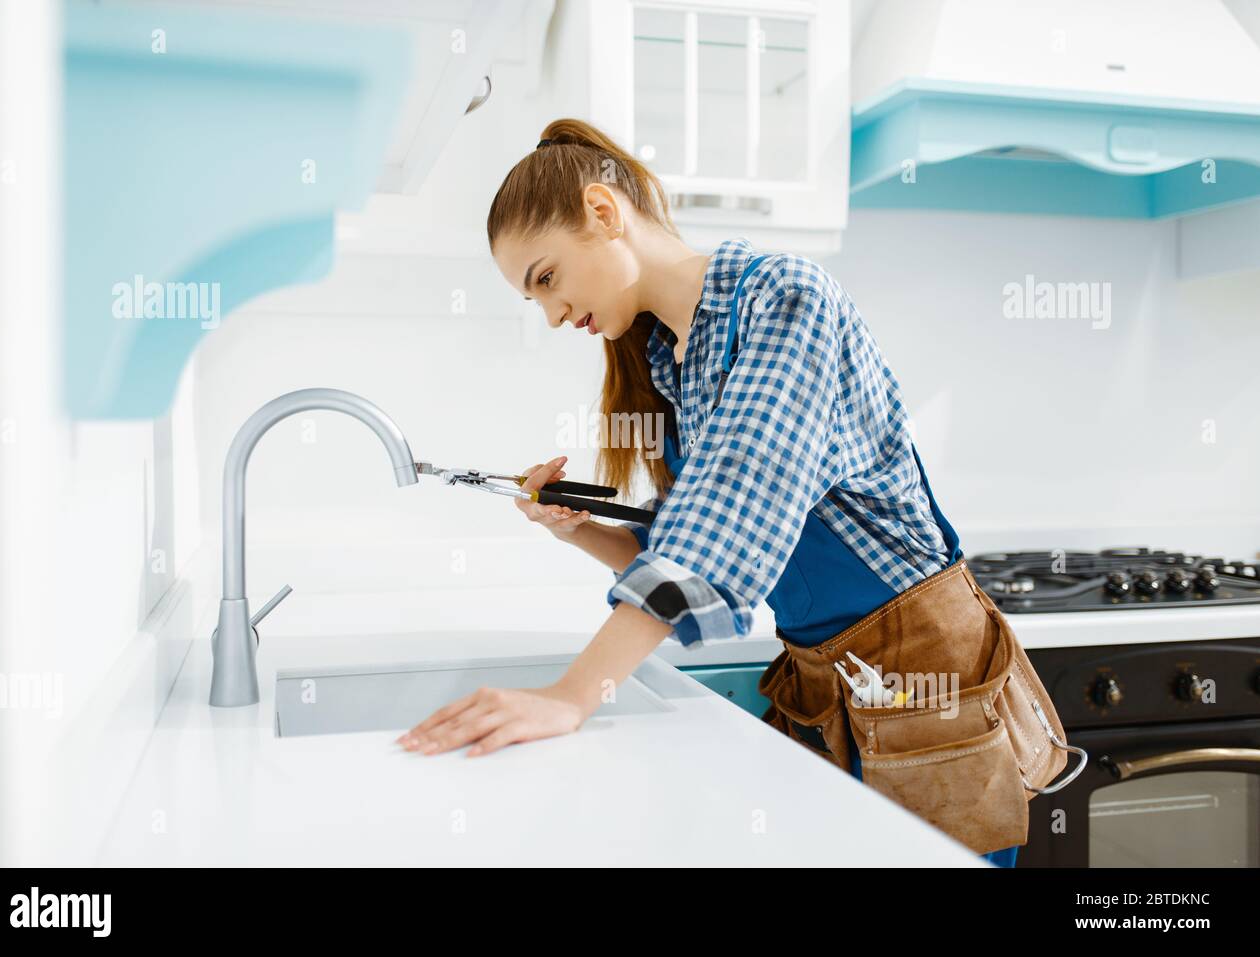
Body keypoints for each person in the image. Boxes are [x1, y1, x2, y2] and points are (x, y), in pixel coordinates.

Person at [397, 118, 1022, 866]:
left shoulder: (786, 300)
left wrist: (572, 695)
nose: (554, 314)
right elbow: (695, 547)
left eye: (546, 278)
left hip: (924, 682)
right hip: (833, 683)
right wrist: (578, 527)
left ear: (604, 213)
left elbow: (727, 521)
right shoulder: (673, 358)